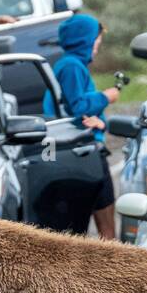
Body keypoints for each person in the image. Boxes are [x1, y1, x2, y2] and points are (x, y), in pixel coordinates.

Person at [42, 14, 122, 239]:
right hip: (82, 154)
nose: (98, 43)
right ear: (85, 40)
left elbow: (87, 114)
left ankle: (109, 269)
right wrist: (106, 96)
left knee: (105, 227)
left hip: (90, 149)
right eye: (96, 38)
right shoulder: (71, 67)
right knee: (89, 231)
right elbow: (78, 106)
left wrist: (101, 122)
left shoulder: (74, 66)